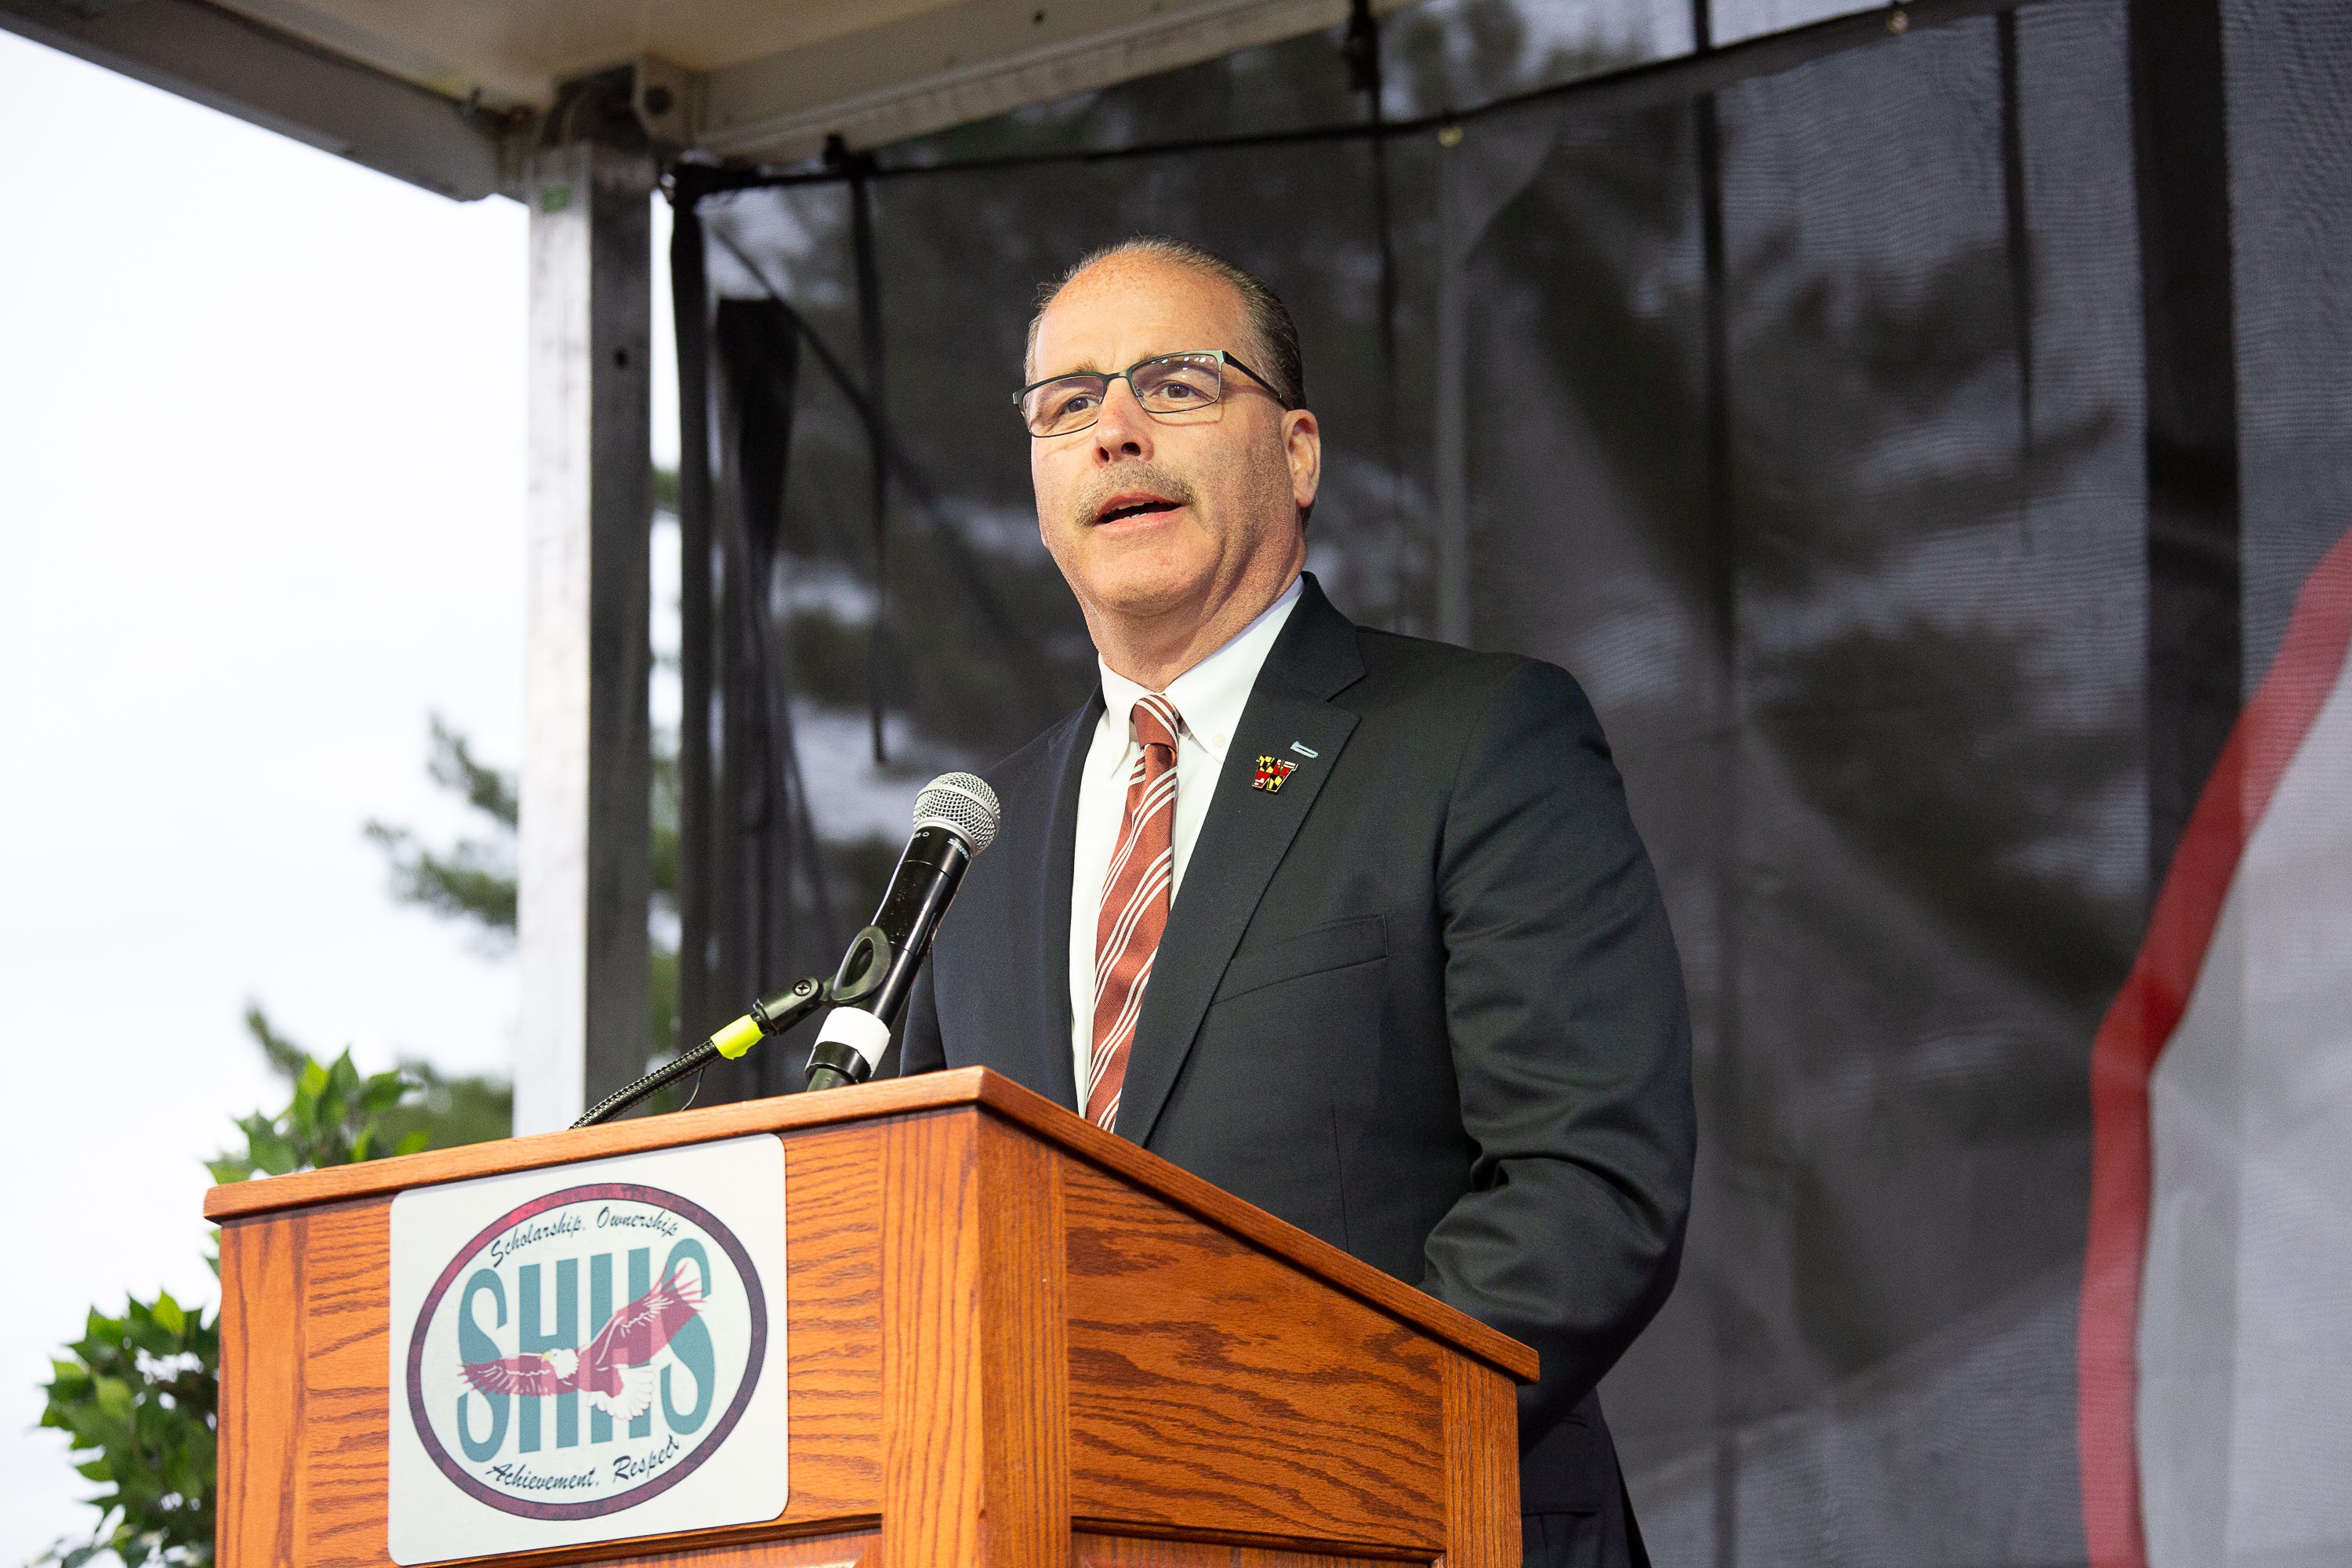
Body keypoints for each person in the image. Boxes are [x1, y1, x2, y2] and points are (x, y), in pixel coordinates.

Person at [895, 236, 1694, 1568]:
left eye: (1178, 385)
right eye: (1068, 404)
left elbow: (1583, 1184)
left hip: (1399, 1532)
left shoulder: (1476, 739)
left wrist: (1275, 1460)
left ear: (1299, 452)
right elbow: (916, 1247)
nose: (1117, 432)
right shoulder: (977, 837)